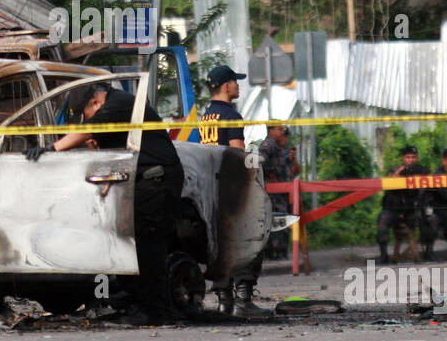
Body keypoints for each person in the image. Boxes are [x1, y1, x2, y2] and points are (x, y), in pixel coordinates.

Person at [25, 83, 184, 325]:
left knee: (147, 248)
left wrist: (51, 148)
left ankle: (156, 312)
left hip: (156, 182)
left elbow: (90, 131)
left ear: (96, 103)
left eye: (85, 115)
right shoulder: (116, 110)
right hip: (142, 182)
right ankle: (140, 305)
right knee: (132, 246)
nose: (86, 120)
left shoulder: (120, 103)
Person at [199, 64, 270, 319]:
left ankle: (223, 301)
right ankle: (243, 301)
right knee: (248, 240)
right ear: (226, 85)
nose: (238, 86)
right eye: (235, 82)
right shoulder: (231, 116)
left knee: (220, 244)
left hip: (210, 188)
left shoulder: (205, 116)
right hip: (233, 190)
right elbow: (237, 154)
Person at [376, 145, 429, 263]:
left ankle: (428, 253)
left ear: (417, 158)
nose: (411, 160)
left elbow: (424, 186)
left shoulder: (422, 170)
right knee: (382, 221)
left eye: (414, 157)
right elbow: (389, 186)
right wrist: (396, 177)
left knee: (429, 220)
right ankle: (383, 255)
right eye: (408, 157)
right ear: (403, 158)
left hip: (411, 209)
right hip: (394, 209)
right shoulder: (395, 170)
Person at [259, 123, 300, 258]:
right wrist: (272, 177)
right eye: (280, 129)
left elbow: (295, 171)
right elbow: (260, 163)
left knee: (283, 220)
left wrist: (293, 159)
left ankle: (281, 251)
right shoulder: (268, 145)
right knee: (274, 219)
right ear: (271, 129)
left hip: (284, 191)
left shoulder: (282, 149)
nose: (283, 133)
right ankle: (271, 252)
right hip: (272, 192)